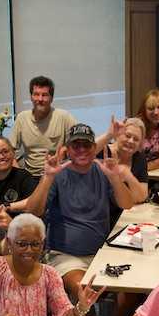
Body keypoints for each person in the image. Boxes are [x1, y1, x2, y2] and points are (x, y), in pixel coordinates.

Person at [22, 124, 138, 300]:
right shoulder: (58, 173)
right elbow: (32, 211)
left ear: (94, 148)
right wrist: (48, 178)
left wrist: (114, 177)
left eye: (87, 145)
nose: (82, 150)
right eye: (76, 146)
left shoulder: (103, 170)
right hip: (66, 257)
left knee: (132, 291)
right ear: (68, 150)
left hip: (103, 254)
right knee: (83, 289)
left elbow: (127, 204)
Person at [12, 75, 78, 176]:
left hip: (57, 173)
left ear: (51, 98)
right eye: (36, 94)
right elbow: (10, 150)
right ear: (31, 97)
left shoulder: (64, 116)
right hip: (31, 176)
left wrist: (65, 148)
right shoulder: (22, 118)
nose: (40, 99)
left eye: (45, 95)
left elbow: (80, 142)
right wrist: (20, 176)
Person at [135, 88, 159, 172]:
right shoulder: (136, 126)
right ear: (144, 110)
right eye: (151, 108)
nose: (156, 112)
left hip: (154, 173)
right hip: (135, 174)